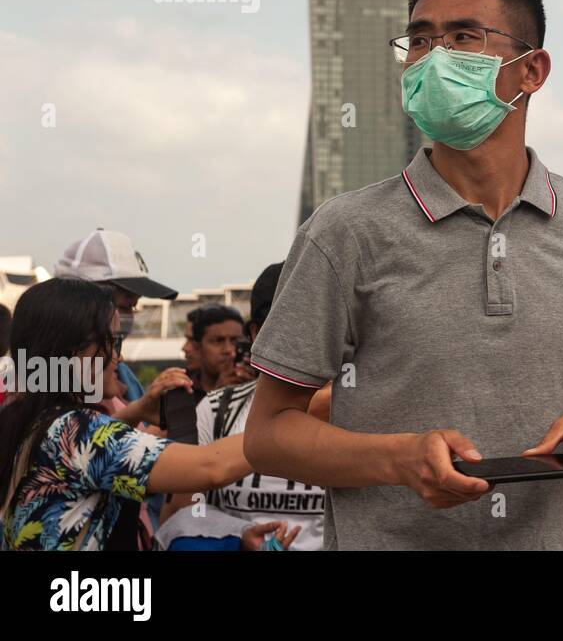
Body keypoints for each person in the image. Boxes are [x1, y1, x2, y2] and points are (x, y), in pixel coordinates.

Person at [244, 0, 563, 550]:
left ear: (532, 70)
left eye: (463, 36)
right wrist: (398, 459)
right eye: (420, 41)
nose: (435, 57)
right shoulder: (344, 231)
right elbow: (268, 434)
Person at [0, 279, 255, 550]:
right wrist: (276, 424)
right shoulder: (79, 430)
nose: (118, 358)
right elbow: (211, 468)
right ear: (74, 352)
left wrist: (139, 412)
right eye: (112, 342)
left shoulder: (31, 419)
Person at [157, 264, 324, 550]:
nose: (304, 341)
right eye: (290, 325)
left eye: (316, 325)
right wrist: (238, 538)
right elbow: (179, 519)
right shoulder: (216, 409)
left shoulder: (355, 414)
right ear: (257, 333)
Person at [53, 228, 179, 404]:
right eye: (124, 305)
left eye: (133, 307)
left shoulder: (124, 376)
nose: (126, 317)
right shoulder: (40, 381)